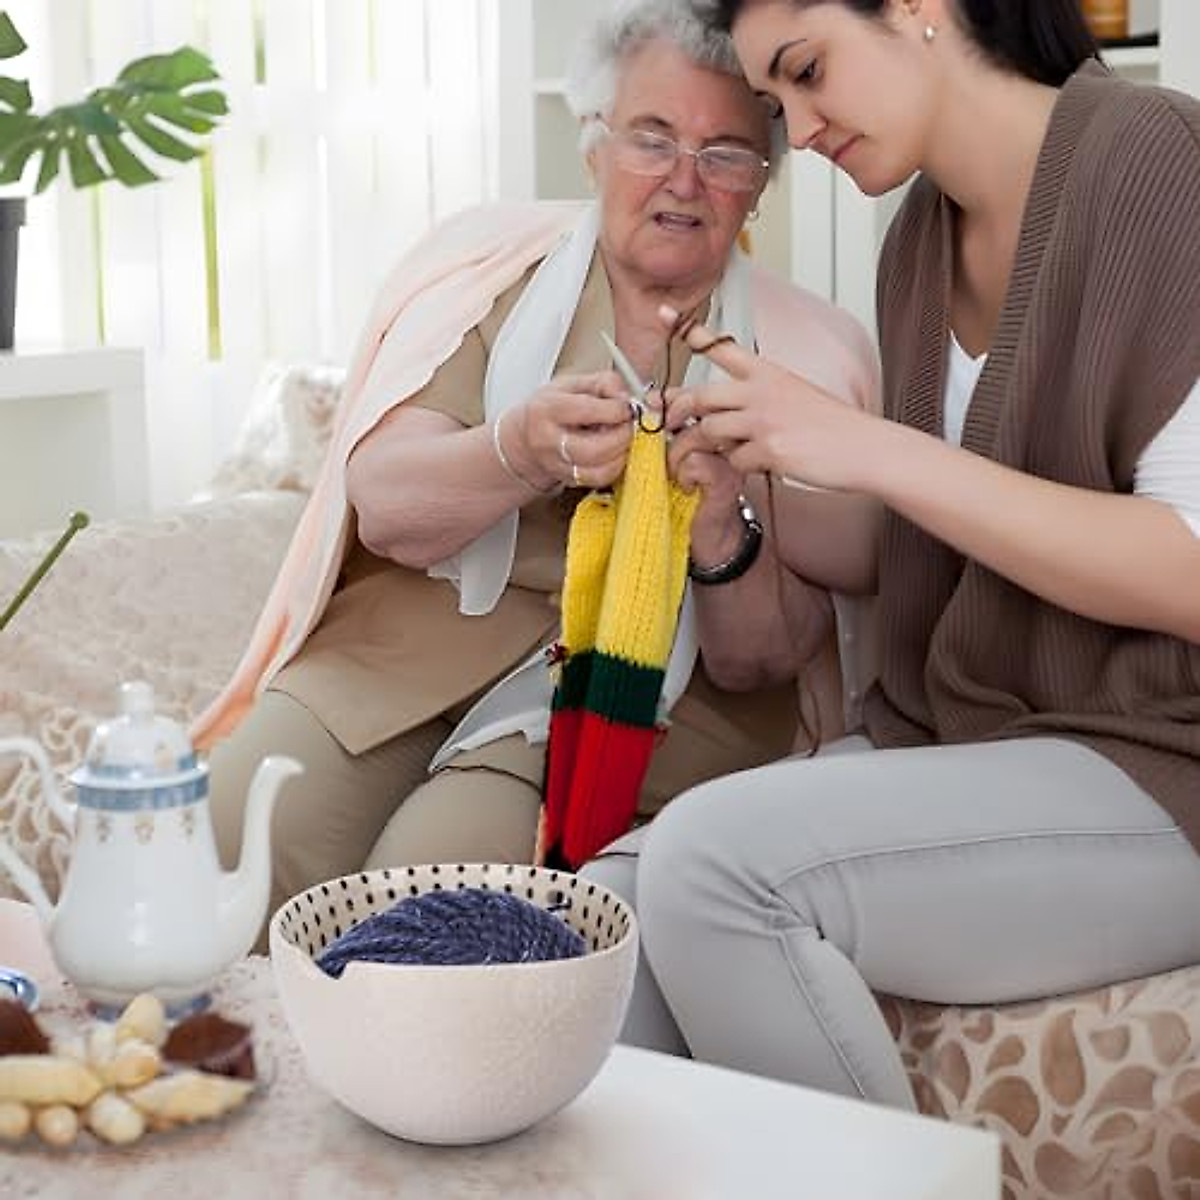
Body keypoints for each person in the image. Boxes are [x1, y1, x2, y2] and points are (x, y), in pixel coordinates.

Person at [582, 0, 1200, 1107]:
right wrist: (748, 478)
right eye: (778, 102)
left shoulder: (1157, 161)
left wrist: (862, 444)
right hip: (980, 740)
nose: (801, 128)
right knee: (605, 915)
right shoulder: (918, 237)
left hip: (1167, 770)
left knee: (715, 867)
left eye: (810, 71)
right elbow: (936, 541)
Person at [194, 0, 880, 940]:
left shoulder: (809, 355)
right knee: (225, 835)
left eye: (725, 153)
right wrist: (515, 449)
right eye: (652, 137)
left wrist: (720, 523)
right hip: (406, 645)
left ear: (761, 183)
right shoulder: (485, 273)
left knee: (425, 904)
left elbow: (764, 659)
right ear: (593, 143)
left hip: (635, 686)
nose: (683, 179)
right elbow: (386, 505)